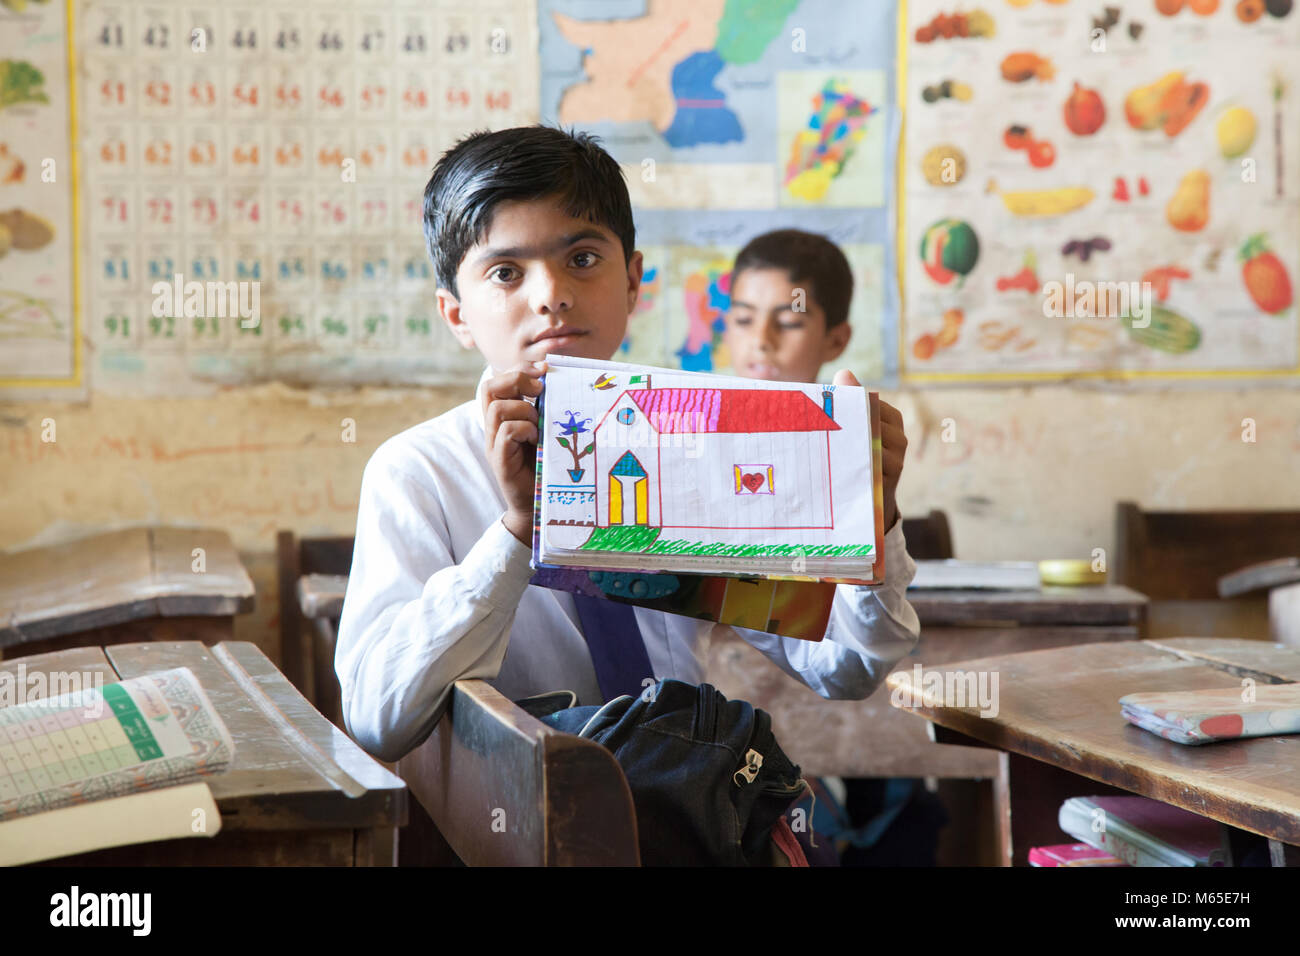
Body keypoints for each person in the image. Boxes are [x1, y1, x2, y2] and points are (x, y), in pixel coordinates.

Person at [335, 126, 920, 767]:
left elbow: (846, 668)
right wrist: (517, 534)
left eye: (582, 259)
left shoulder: (698, 446)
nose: (550, 294)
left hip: (687, 818)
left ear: (634, 280)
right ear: (456, 315)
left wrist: (872, 521)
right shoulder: (419, 474)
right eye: (505, 272)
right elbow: (378, 718)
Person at [723, 228, 944, 865]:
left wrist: (879, 515)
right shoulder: (687, 442)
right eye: (742, 318)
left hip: (798, 725)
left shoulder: (849, 455)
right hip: (705, 747)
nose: (759, 340)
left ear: (836, 340)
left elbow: (843, 665)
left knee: (891, 810)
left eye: (787, 321)